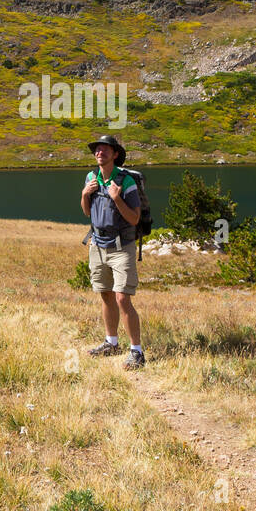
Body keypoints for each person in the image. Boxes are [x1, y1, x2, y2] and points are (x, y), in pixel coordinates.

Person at [79, 134, 145, 370]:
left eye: (105, 149)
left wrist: (117, 198)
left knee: (122, 298)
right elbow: (87, 212)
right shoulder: (91, 177)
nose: (100, 152)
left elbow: (134, 218)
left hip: (121, 247)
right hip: (97, 245)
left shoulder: (125, 182)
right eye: (97, 149)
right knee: (105, 294)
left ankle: (136, 352)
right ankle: (111, 342)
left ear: (115, 154)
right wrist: (85, 194)